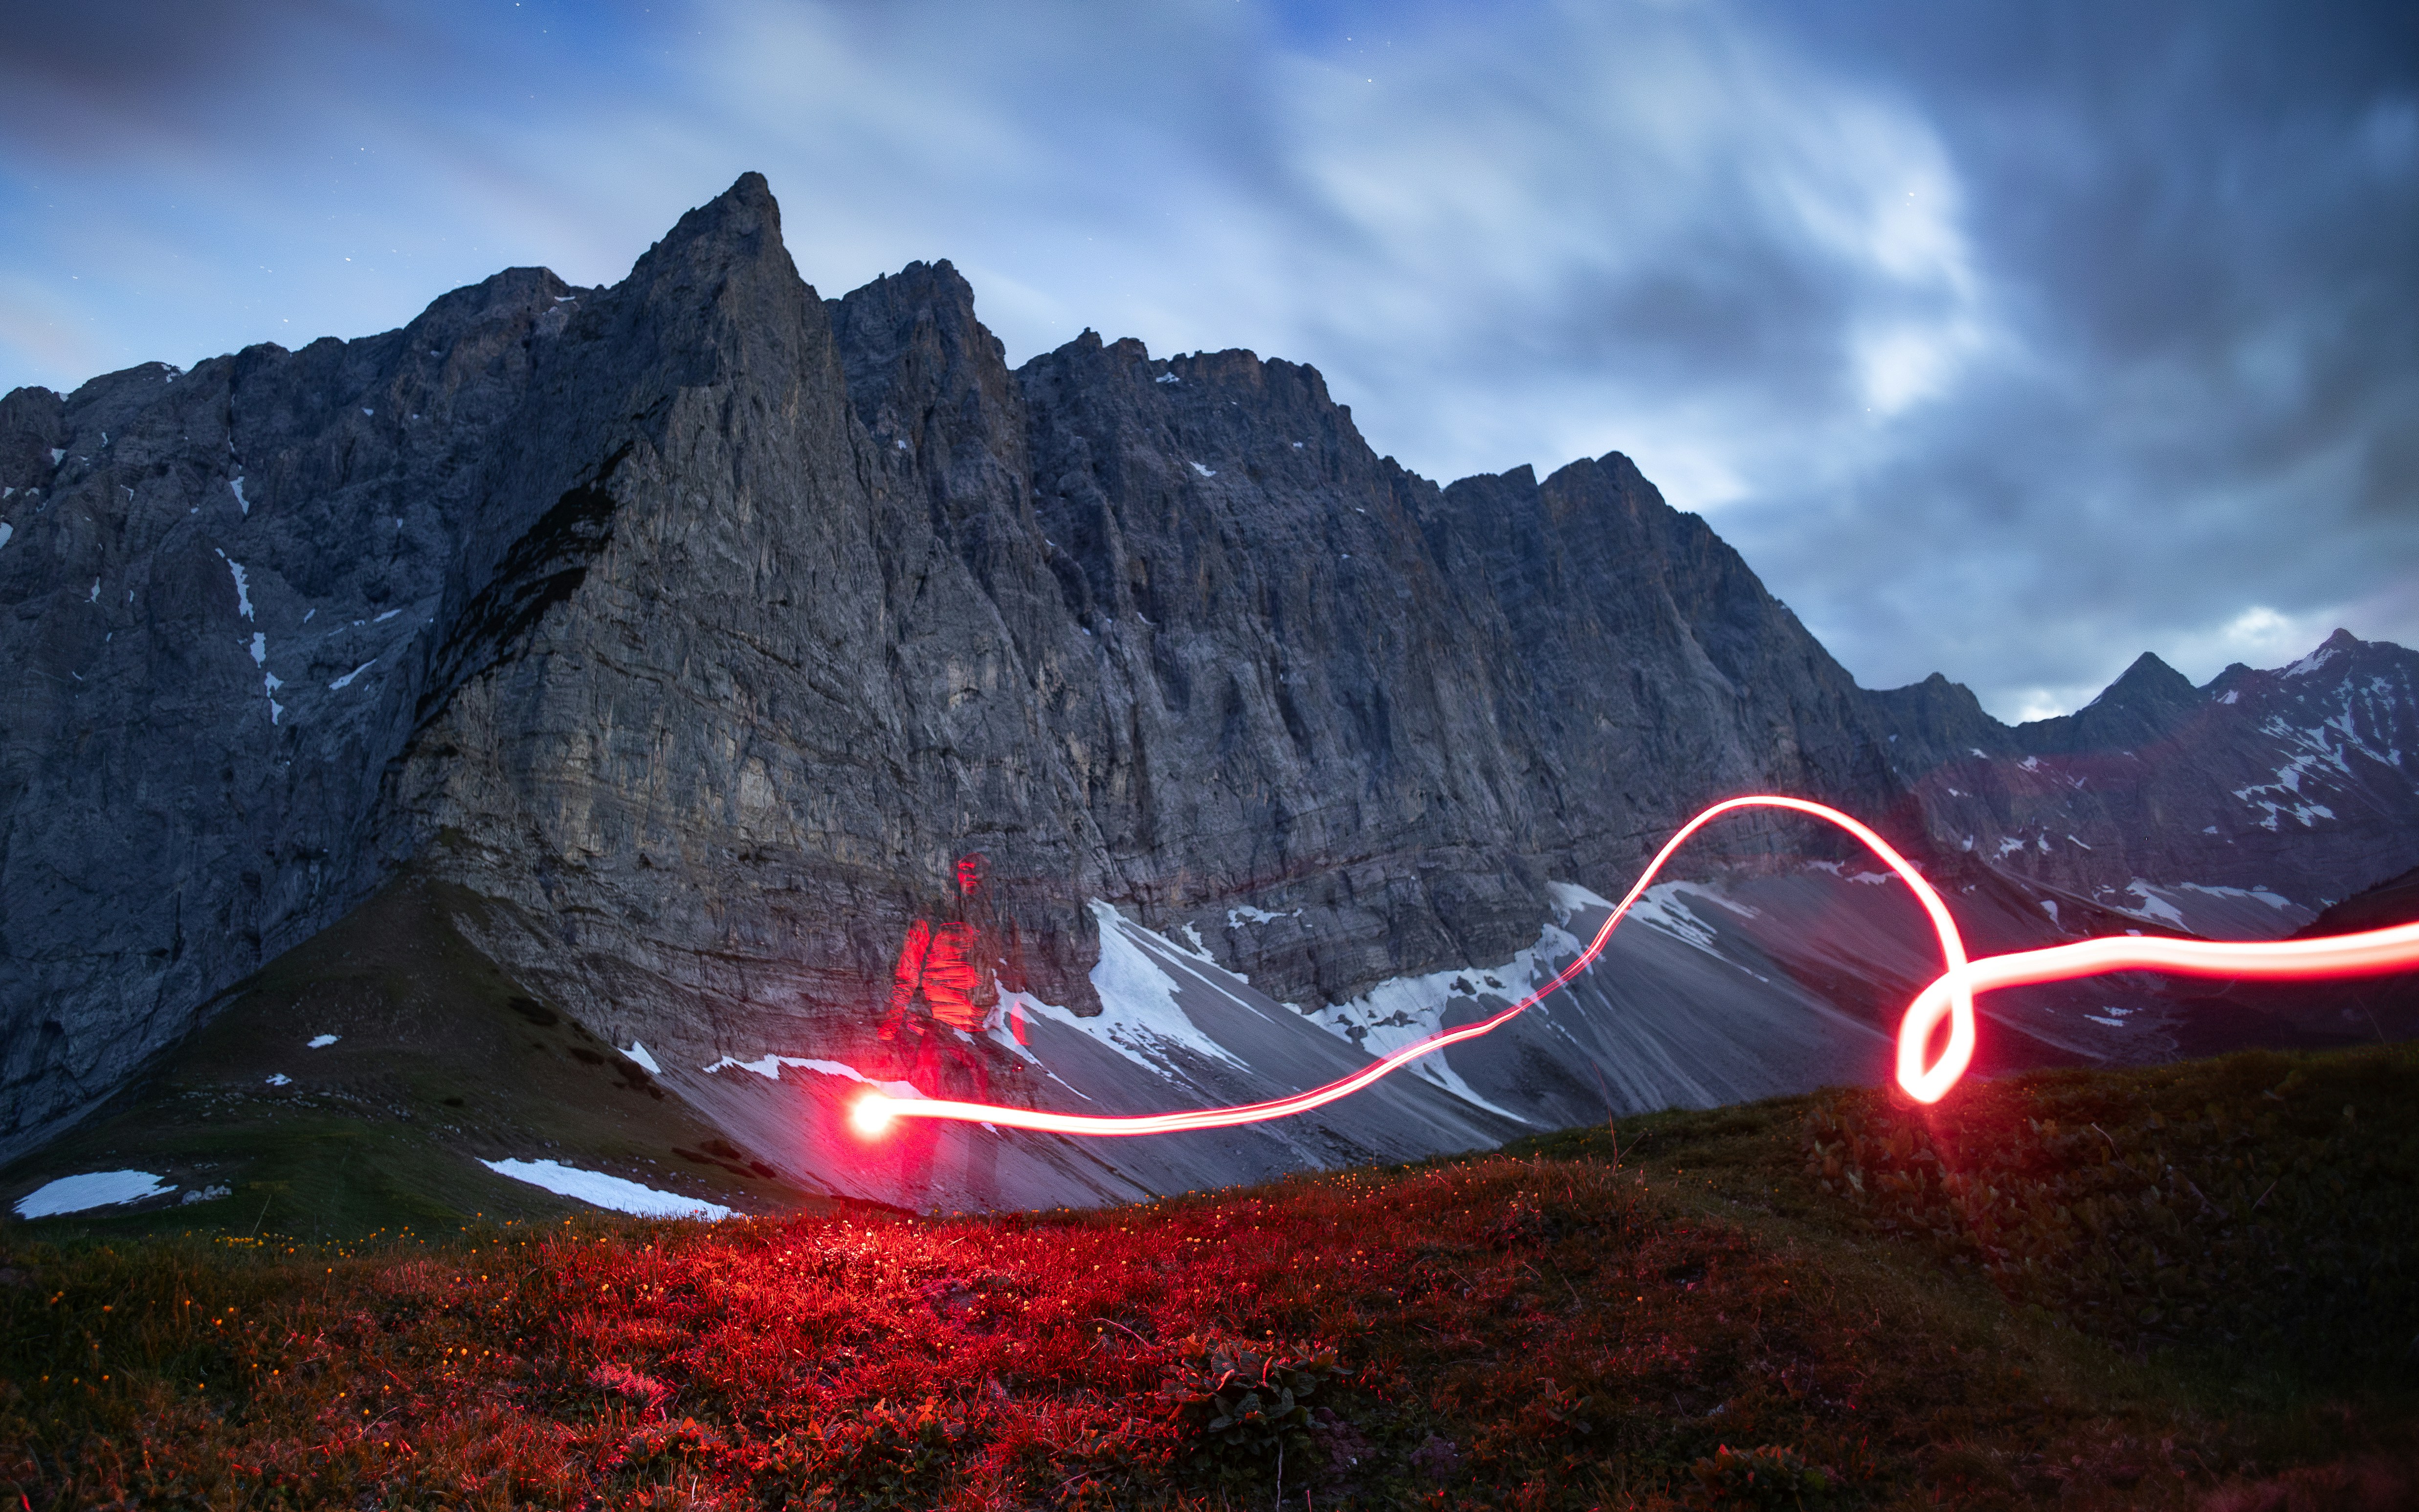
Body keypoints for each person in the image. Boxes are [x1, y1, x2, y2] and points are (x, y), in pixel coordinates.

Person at [879, 852, 1026, 1205]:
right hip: (939, 1030)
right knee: (927, 1113)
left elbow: (1013, 983)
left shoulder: (996, 922)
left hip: (981, 1034)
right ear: (954, 876)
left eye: (980, 874)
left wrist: (1017, 1039)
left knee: (987, 1119)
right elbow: (907, 972)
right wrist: (891, 1025)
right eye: (966, 872)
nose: (973, 878)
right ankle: (913, 1194)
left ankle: (980, 1198)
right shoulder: (932, 918)